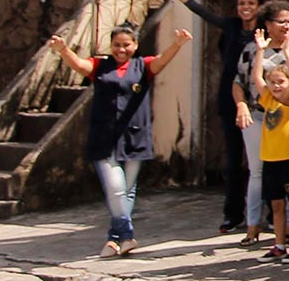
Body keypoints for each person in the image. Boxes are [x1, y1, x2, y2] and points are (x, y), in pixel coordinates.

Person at [47, 21, 192, 257]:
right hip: (104, 137)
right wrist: (64, 50)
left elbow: (162, 60)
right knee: (116, 188)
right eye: (116, 45)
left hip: (135, 136)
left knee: (127, 190)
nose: (121, 49)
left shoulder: (143, 66)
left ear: (135, 45)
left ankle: (114, 240)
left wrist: (177, 44)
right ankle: (126, 235)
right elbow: (80, 65)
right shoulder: (100, 66)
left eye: (126, 45)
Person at [151, 0, 259, 231]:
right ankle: (233, 214)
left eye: (251, 3)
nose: (245, 7)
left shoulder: (266, 28)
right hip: (230, 100)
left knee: (263, 163)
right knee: (234, 161)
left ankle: (267, 216)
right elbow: (197, 8)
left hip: (259, 101)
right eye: (242, 3)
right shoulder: (231, 26)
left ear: (260, 7)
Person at [233, 0, 289, 244]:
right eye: (281, 21)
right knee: (257, 171)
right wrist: (241, 105)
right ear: (268, 24)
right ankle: (253, 225)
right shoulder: (252, 49)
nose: (287, 26)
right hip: (259, 114)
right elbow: (241, 81)